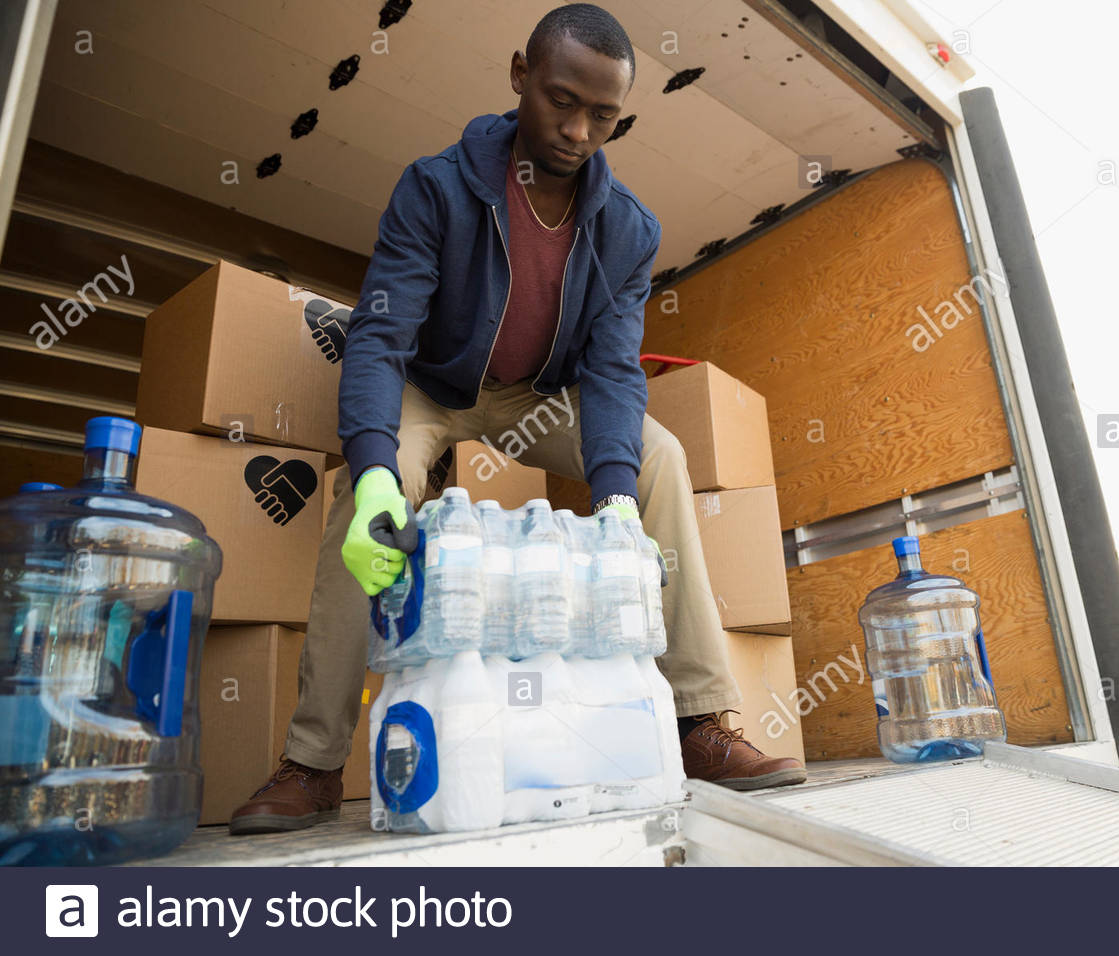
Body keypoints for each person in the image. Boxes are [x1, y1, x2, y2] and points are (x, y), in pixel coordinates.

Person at [229, 3, 805, 835]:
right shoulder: (437, 187)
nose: (577, 130)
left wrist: (611, 497)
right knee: (368, 494)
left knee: (659, 460)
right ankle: (313, 764)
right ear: (519, 75)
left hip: (538, 397)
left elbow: (611, 369)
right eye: (561, 101)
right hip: (435, 385)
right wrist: (382, 466)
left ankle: (700, 723)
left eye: (603, 116)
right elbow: (382, 333)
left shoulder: (627, 230)